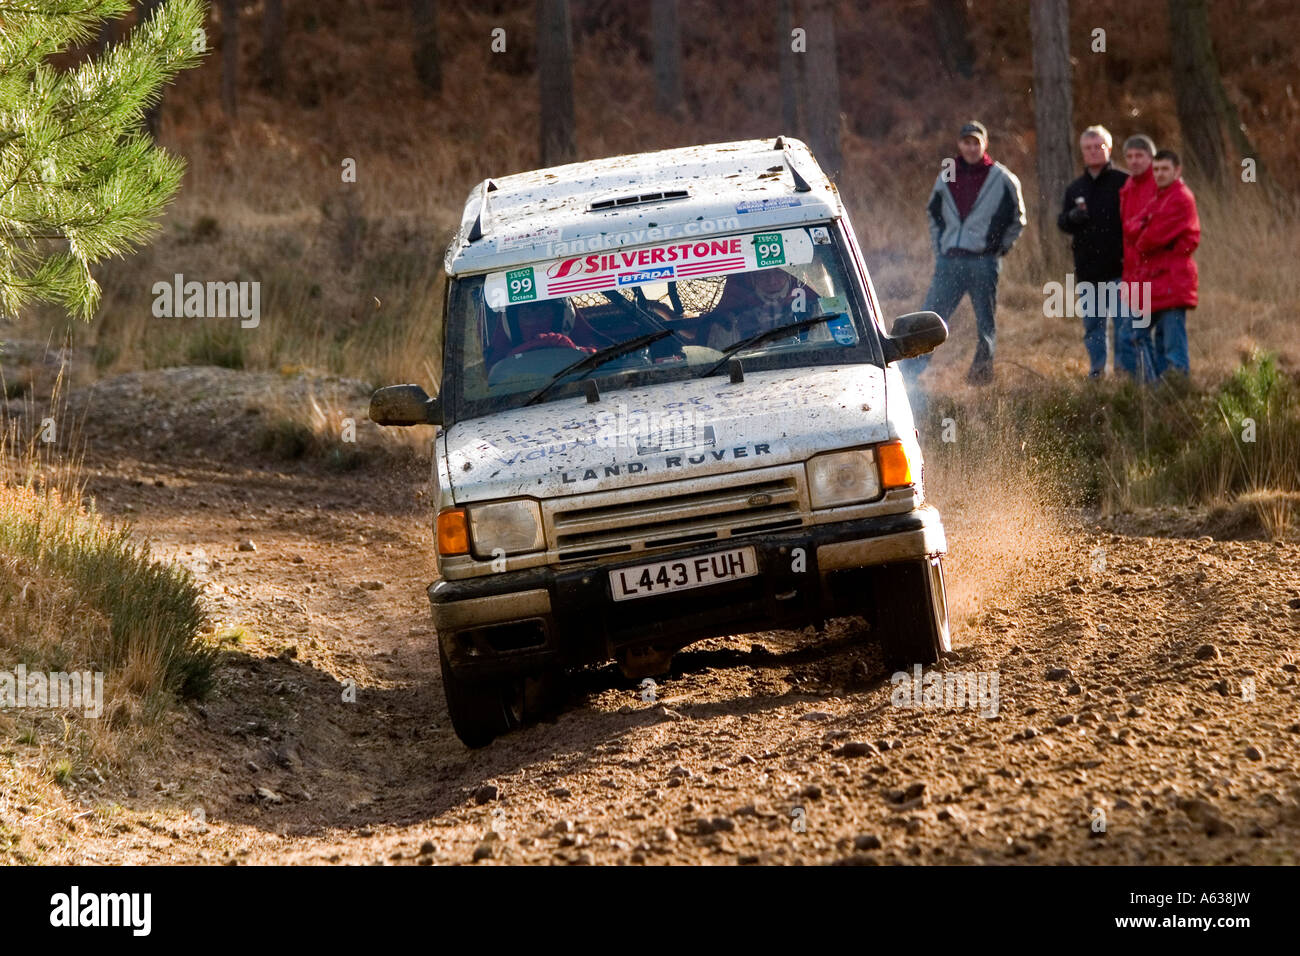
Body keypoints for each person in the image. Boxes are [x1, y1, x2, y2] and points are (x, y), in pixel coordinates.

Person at [907, 120, 1026, 386]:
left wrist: (999, 248)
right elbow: (933, 213)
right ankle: (911, 374)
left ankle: (981, 377)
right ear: (959, 144)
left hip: (984, 261)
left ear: (985, 144)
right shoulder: (948, 173)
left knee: (985, 321)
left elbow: (1018, 219)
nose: (971, 147)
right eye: (966, 142)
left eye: (976, 142)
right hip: (950, 261)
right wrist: (940, 250)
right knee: (931, 316)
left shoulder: (1002, 177)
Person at [1057, 125, 1131, 377]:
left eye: (1098, 146)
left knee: (1124, 325)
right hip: (1088, 270)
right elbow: (1062, 223)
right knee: (1093, 327)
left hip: (1121, 268)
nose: (1093, 152)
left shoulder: (1124, 182)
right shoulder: (1075, 188)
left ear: (1108, 148)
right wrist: (1072, 217)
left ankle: (1123, 372)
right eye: (1088, 148)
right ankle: (1097, 372)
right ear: (1082, 152)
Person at [1128, 149, 1200, 381]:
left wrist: (1145, 230)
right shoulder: (1160, 197)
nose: (1159, 174)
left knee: (1172, 346)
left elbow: (1150, 238)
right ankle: (1156, 392)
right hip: (1156, 281)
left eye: (1164, 169)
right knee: (1141, 336)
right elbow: (1130, 227)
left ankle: (1175, 396)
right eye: (1156, 169)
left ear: (1177, 170)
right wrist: (1144, 229)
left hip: (1172, 279)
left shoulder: (1180, 197)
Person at [703, 268, 825, 350]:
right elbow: (722, 364)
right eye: (762, 274)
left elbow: (822, 351)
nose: (771, 281)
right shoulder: (728, 323)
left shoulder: (816, 312)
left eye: (778, 272)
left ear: (789, 276)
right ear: (752, 279)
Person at [1119, 133, 1158, 367]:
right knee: (1134, 334)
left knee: (1135, 334)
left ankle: (1150, 390)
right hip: (1132, 273)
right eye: (1130, 156)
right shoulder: (1128, 187)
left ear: (1151, 158)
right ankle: (1145, 390)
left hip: (1154, 274)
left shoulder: (1159, 186)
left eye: (1140, 156)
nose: (1134, 161)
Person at [485, 298, 593, 369]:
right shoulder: (498, 365)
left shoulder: (584, 351)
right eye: (526, 316)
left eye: (543, 314)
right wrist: (510, 361)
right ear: (513, 324)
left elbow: (602, 361)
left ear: (561, 319)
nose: (535, 322)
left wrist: (575, 352)